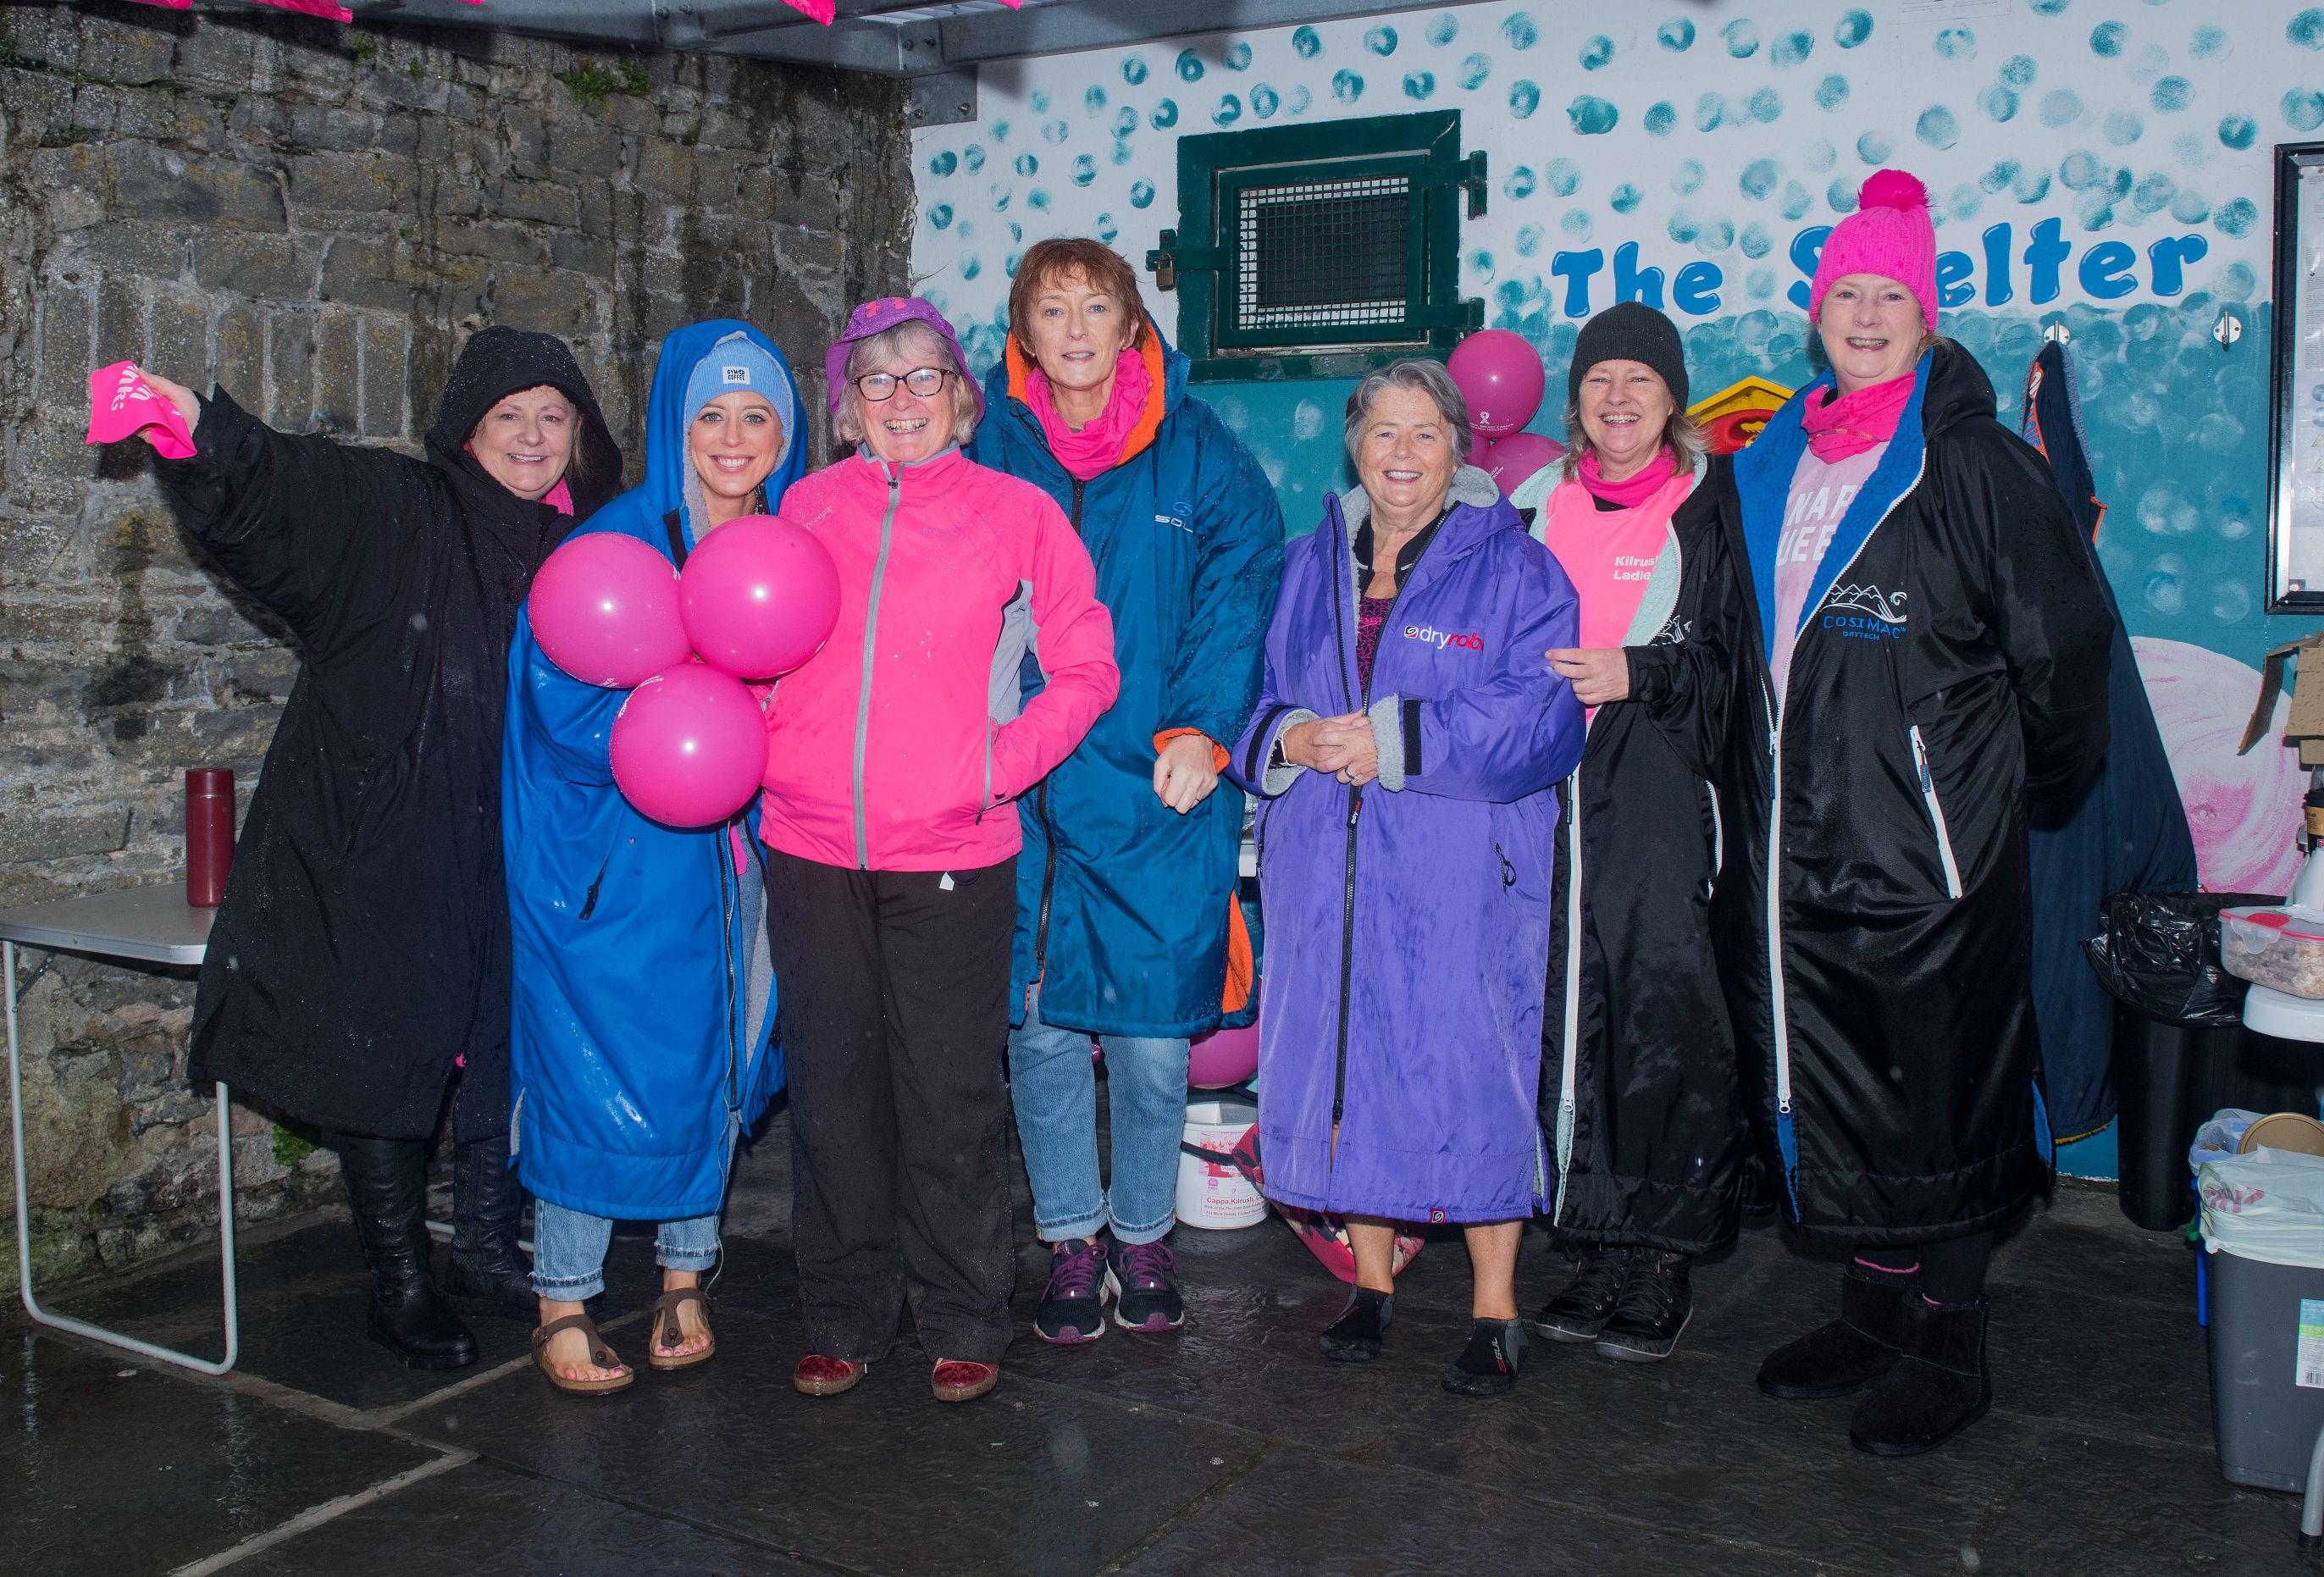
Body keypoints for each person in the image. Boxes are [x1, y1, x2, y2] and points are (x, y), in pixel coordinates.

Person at [1709, 169, 2113, 1454]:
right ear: (1815, 315)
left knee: (1939, 1087)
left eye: (1893, 294)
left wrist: (1994, 798)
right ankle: (1874, 1314)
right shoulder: (1770, 459)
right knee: (1841, 1073)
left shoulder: (1975, 461)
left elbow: (2066, 648)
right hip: (1797, 838)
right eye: (1847, 294)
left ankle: (1949, 1339)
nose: (1868, 314)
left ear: (1927, 315)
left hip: (1927, 842)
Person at [129, 330, 622, 1370]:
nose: (532, 437)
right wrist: (199, 430)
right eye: (508, 417)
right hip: (387, 829)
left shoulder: (587, 546)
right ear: (466, 431)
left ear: (579, 430)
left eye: (552, 415)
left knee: (505, 1031)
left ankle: (486, 1248)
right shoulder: (403, 510)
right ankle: (399, 1281)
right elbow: (290, 498)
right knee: (384, 1038)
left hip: (517, 838)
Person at [759, 298, 1118, 1405]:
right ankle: (845, 1313)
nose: (903, 398)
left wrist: (993, 767)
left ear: (963, 401)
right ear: (848, 409)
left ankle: (964, 1312)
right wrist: (770, 746)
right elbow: (748, 647)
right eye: (878, 381)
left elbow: (1087, 668)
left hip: (955, 849)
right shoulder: (799, 509)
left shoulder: (1019, 515)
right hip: (810, 844)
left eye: (925, 379)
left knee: (950, 1088)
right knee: (833, 1091)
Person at [1231, 359, 1584, 1398]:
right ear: (1354, 444)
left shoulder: (1517, 569)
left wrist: (1388, 740)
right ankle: (1370, 1285)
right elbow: (1256, 697)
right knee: (1348, 1058)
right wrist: (1289, 735)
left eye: (1423, 433)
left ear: (1457, 448)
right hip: (1321, 863)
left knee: (1467, 1063)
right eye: (1381, 431)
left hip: (1454, 868)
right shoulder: (1305, 563)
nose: (1399, 454)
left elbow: (1540, 720)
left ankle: (1492, 1306)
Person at [970, 238, 1284, 1343]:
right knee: (1047, 1031)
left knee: (1154, 1039)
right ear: (1024, 333)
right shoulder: (989, 449)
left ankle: (1143, 1233)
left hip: (1162, 785)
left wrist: (1204, 723)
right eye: (1050, 310)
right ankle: (1070, 1239)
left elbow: (1240, 588)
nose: (1075, 328)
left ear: (1131, 325)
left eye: (1095, 307)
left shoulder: (1200, 452)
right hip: (1032, 790)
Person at [502, 323, 803, 1395]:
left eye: (756, 415)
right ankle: (564, 1296)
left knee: (708, 1055)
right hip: (623, 867)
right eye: (709, 415)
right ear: (676, 424)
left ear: (787, 429)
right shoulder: (615, 549)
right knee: (598, 1058)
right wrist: (671, 717)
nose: (733, 437)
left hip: (740, 868)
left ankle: (685, 1274)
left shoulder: (795, 551)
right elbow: (558, 706)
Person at [1530, 302, 1745, 1364]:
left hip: (1657, 782)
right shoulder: (1530, 506)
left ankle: (1659, 1249)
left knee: (1660, 1007)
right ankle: (1593, 1236)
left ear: (1672, 399)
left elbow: (1733, 672)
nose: (1617, 398)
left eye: (1639, 379)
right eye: (1598, 379)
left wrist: (1638, 671)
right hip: (1545, 789)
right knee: (1569, 1008)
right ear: (1575, 400)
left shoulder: (1710, 512)